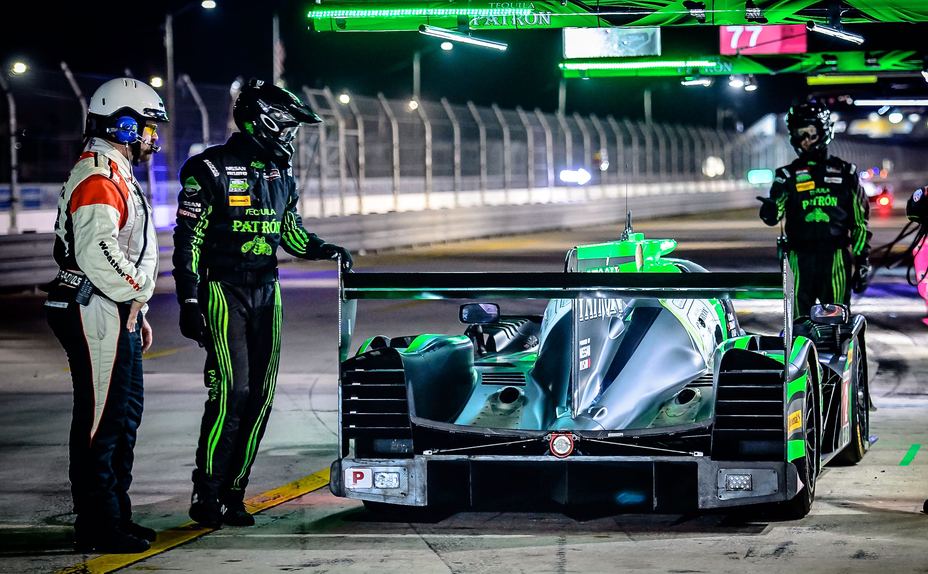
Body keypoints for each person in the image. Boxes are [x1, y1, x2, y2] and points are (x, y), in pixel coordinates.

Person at [172, 79, 353, 528]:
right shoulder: (207, 168)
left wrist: (325, 249)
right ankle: (207, 491)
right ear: (263, 121)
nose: (291, 136)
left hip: (267, 290)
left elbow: (290, 233)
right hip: (222, 289)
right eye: (288, 126)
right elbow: (187, 240)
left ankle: (235, 494)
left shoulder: (281, 173)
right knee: (232, 394)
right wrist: (189, 299)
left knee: (262, 397)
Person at [45, 78, 167, 553]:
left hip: (114, 308)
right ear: (123, 124)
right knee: (102, 420)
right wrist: (136, 293)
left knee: (122, 418)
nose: (152, 138)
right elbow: (97, 252)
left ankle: (115, 514)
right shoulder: (99, 176)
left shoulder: (115, 171)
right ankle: (97, 523)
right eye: (148, 128)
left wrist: (138, 308)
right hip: (95, 307)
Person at [758, 101, 872, 315]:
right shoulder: (786, 176)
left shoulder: (846, 173)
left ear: (824, 131)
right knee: (799, 325)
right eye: (799, 133)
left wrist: (863, 262)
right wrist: (770, 210)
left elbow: (859, 224)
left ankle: (838, 348)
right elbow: (774, 214)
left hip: (835, 257)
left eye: (810, 132)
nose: (805, 140)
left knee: (837, 323)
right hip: (799, 258)